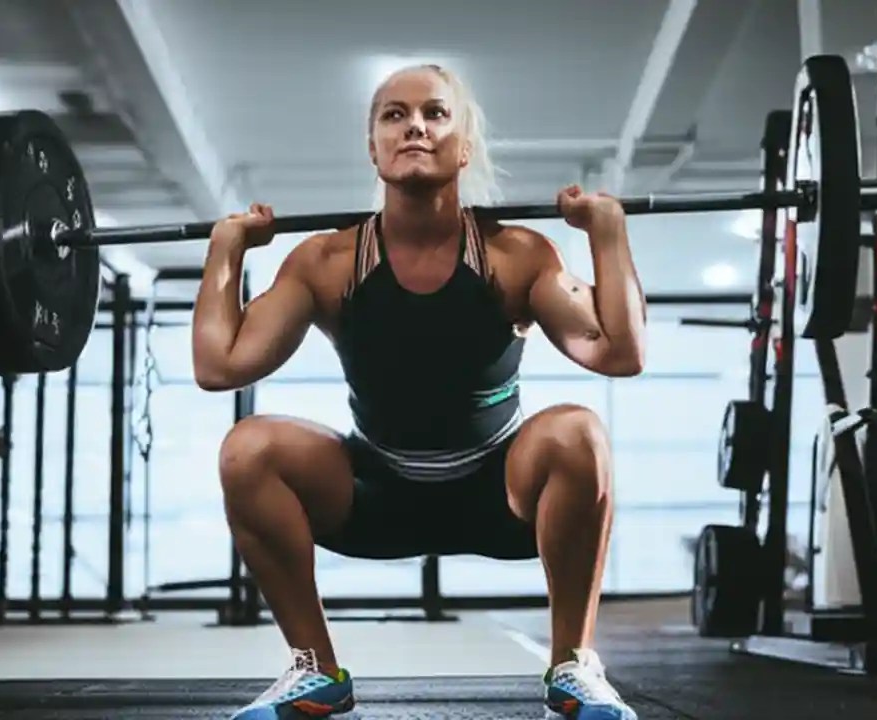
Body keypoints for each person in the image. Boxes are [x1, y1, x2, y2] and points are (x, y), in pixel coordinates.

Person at [192, 63, 647, 720]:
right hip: (375, 491)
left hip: (503, 491)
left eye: (435, 113)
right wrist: (227, 248)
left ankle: (574, 665)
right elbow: (220, 365)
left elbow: (619, 353)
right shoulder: (326, 263)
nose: (414, 127)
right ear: (373, 147)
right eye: (394, 115)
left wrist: (607, 233)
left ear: (464, 147)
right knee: (247, 448)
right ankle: (314, 672)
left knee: (580, 433)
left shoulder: (516, 255)